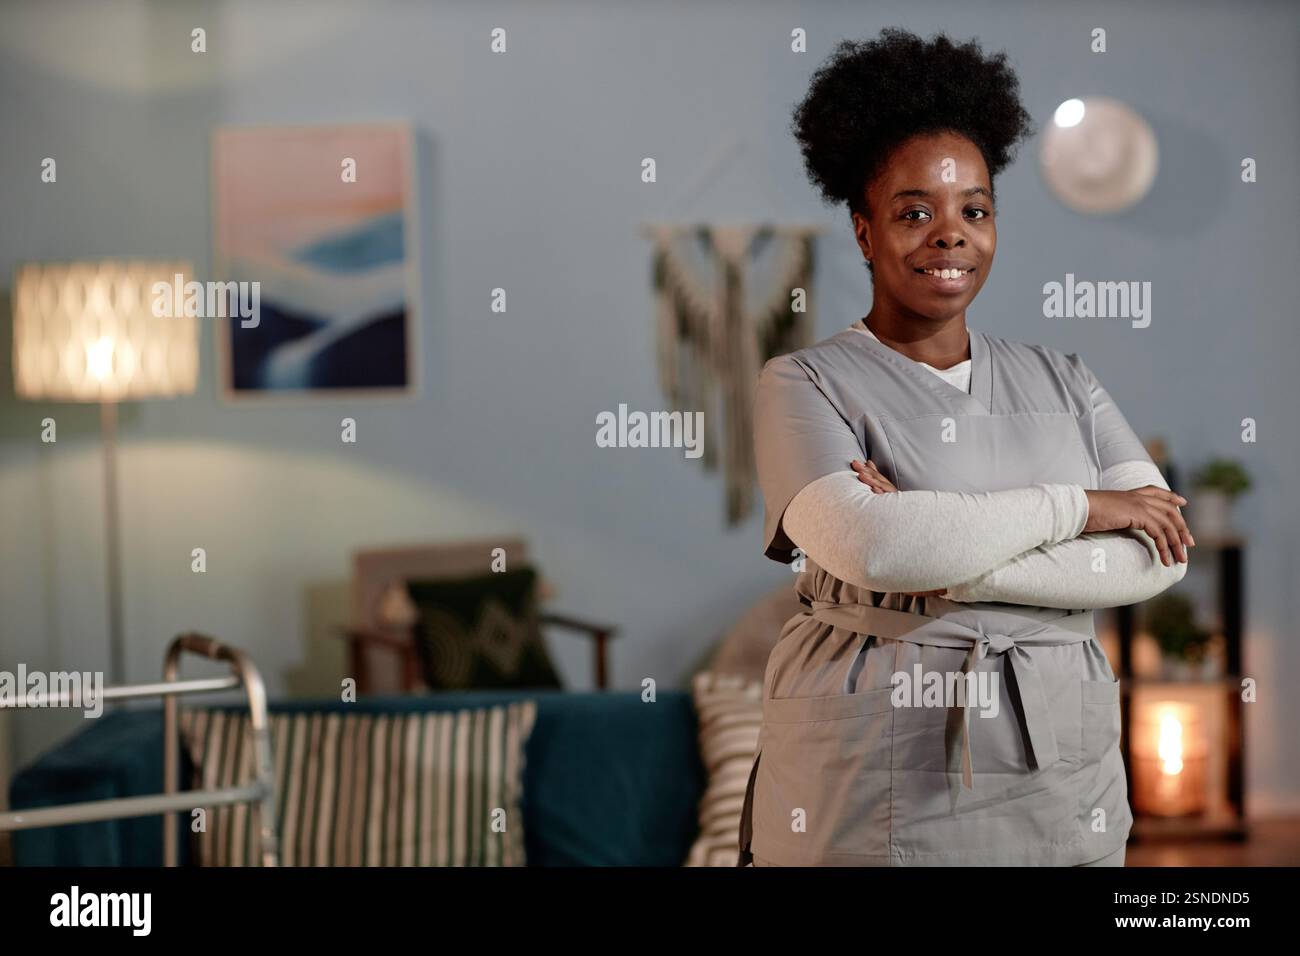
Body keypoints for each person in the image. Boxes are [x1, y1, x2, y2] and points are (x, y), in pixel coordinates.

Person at [738, 29, 1192, 867]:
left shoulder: (1065, 378)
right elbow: (875, 544)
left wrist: (948, 557)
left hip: (1060, 767)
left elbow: (1157, 556)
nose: (950, 235)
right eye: (915, 212)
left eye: (973, 210)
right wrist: (1080, 510)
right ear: (864, 231)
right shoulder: (801, 384)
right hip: (878, 766)